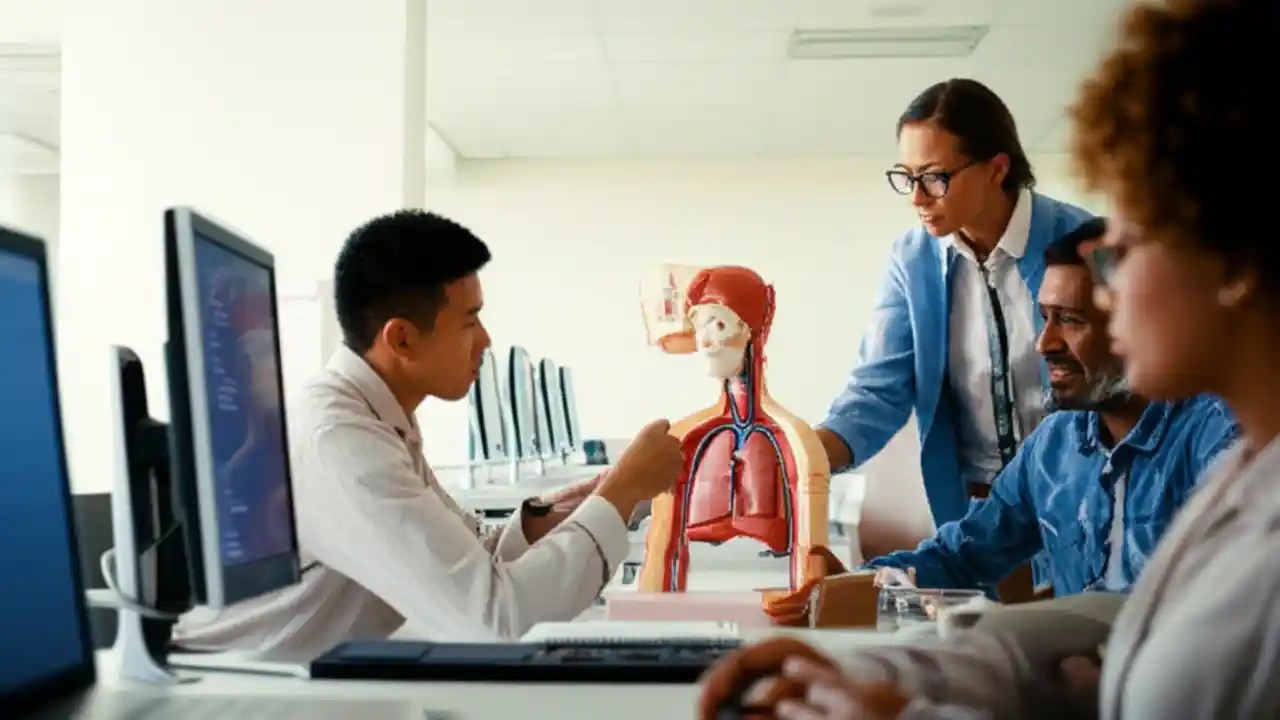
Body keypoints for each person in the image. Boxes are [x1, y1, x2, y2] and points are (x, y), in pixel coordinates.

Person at [697, 1, 1280, 718]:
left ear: (1232, 255)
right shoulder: (1209, 475)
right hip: (1025, 502)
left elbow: (1129, 636)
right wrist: (804, 478)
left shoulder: (1215, 458)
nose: (1101, 269)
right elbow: (1093, 630)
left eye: (1131, 232)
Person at [174, 210, 682, 661]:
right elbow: (494, 622)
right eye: (470, 320)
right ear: (401, 337)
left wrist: (554, 514)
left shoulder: (378, 416)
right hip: (226, 692)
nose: (485, 340)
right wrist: (621, 493)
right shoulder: (340, 440)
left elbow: (471, 553)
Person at [815, 79, 1092, 597]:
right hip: (982, 507)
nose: (917, 198)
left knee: (1080, 639)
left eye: (936, 177)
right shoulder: (912, 258)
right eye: (907, 177)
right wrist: (799, 458)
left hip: (1079, 491)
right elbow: (878, 390)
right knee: (996, 650)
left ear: (996, 168)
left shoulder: (1080, 243)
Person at [864, 218, 1236, 597]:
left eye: (1071, 320)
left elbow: (1232, 600)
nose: (1045, 343)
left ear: (1136, 323)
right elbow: (959, 555)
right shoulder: (1053, 445)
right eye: (1045, 317)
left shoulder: (1218, 436)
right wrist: (852, 583)